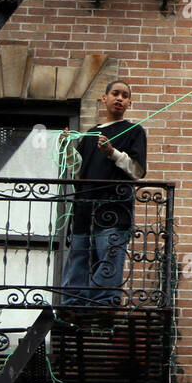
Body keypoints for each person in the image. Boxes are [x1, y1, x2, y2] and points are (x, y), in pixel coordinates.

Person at [60, 80, 147, 312]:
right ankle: (73, 302)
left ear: (129, 103)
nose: (119, 98)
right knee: (79, 256)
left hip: (114, 209)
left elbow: (137, 170)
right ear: (104, 98)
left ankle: (102, 301)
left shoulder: (134, 131)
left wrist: (112, 152)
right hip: (84, 209)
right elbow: (78, 170)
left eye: (124, 95)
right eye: (115, 93)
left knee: (109, 255)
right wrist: (68, 150)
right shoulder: (90, 135)